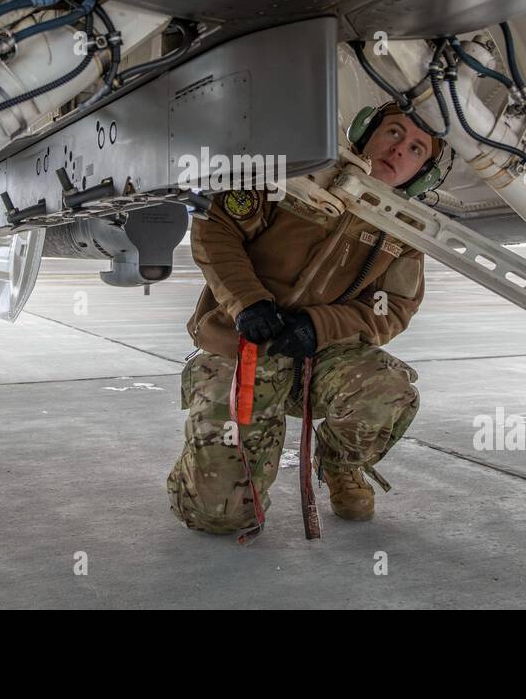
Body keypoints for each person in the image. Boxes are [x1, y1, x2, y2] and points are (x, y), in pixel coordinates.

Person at [166, 102, 446, 535]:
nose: (399, 151)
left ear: (422, 172)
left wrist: (321, 326)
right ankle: (213, 454)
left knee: (387, 391)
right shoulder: (295, 177)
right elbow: (216, 227)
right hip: (244, 347)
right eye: (393, 132)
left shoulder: (401, 231)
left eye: (415, 149)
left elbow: (394, 307)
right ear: (364, 132)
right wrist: (248, 303)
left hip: (319, 357)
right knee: (218, 516)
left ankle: (339, 461)